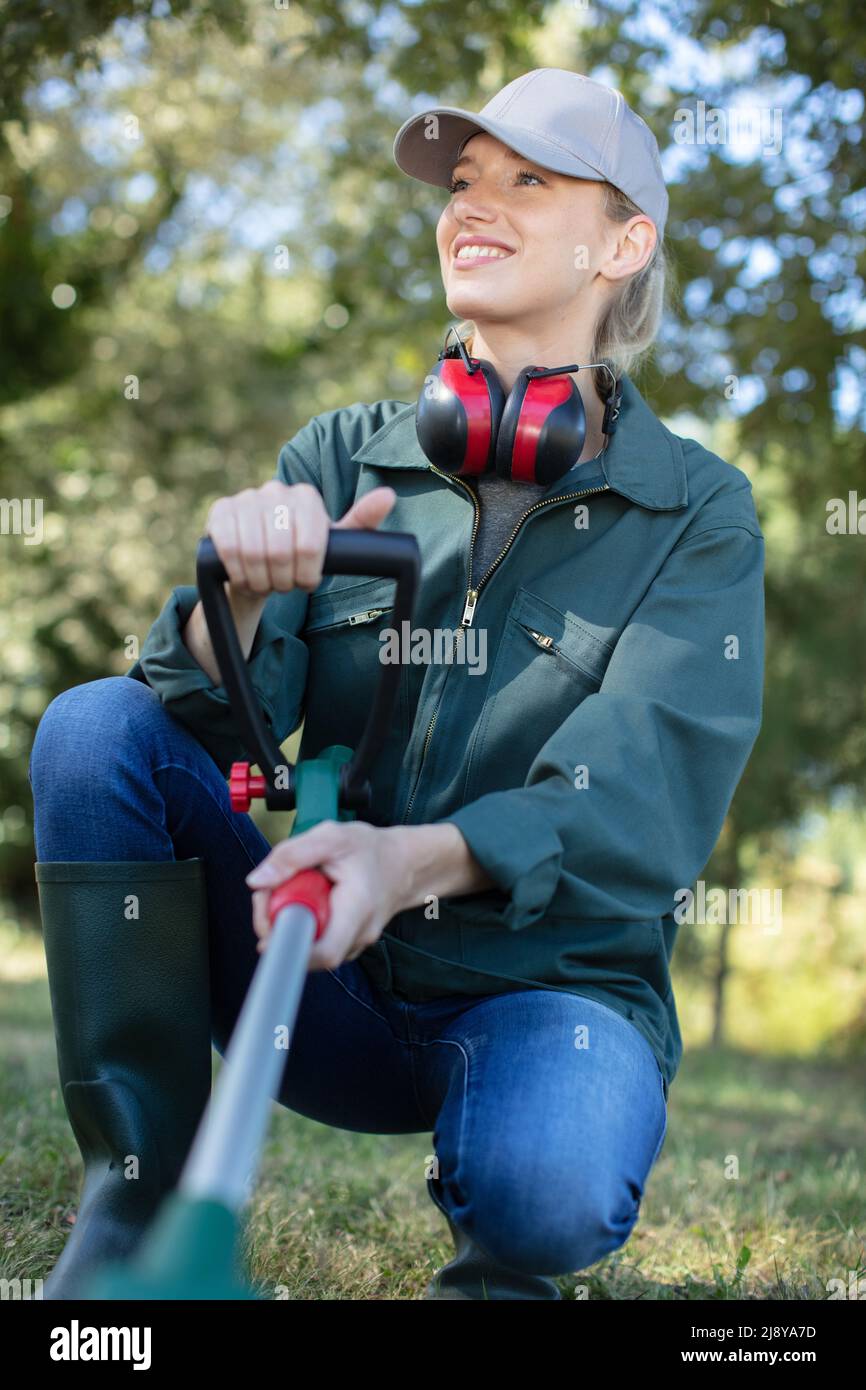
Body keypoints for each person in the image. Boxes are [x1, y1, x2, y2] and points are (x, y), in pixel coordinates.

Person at [29, 67, 765, 1300]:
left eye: (527, 179)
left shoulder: (698, 513)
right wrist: (247, 593)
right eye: (463, 181)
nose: (472, 204)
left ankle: (497, 1246)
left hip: (546, 995)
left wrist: (406, 859)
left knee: (549, 1186)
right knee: (94, 728)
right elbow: (214, 728)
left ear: (621, 242)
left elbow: (643, 799)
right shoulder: (335, 453)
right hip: (313, 971)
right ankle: (129, 1208)